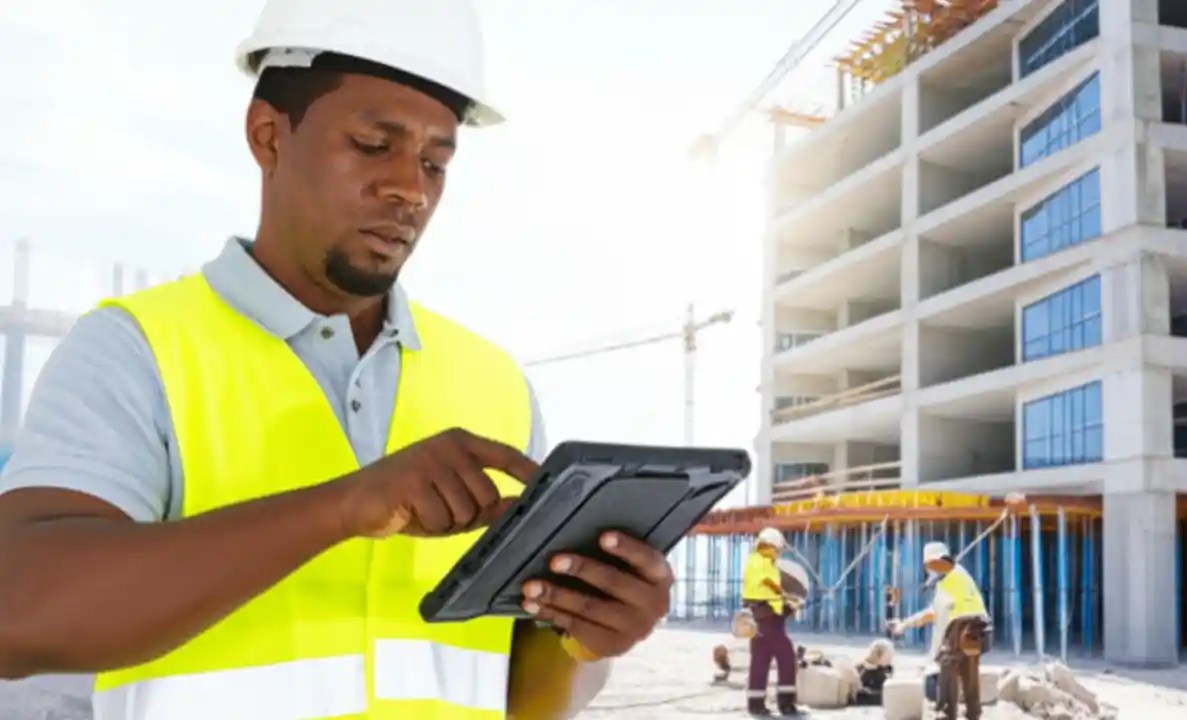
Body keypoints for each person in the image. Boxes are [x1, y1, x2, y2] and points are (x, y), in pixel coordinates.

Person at [0, 1, 675, 717]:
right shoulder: (138, 349)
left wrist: (587, 641)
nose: (409, 190)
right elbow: (19, 613)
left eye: (434, 163)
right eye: (371, 144)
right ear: (268, 135)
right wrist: (343, 507)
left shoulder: (495, 384)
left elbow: (511, 694)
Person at [888, 541, 991, 720]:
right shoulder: (960, 576)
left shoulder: (948, 580)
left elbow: (937, 617)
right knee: (969, 670)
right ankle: (973, 713)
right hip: (980, 628)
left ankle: (946, 713)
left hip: (962, 626)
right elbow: (936, 612)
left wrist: (932, 651)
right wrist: (907, 623)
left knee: (947, 666)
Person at [741, 526, 801, 717]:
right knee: (787, 659)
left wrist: (786, 602)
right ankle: (786, 704)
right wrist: (787, 605)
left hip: (760, 617)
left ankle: (756, 704)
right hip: (768, 620)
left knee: (760, 661)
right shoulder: (764, 563)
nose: (779, 554)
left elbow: (768, 589)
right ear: (772, 546)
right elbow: (769, 589)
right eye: (778, 550)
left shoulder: (756, 561)